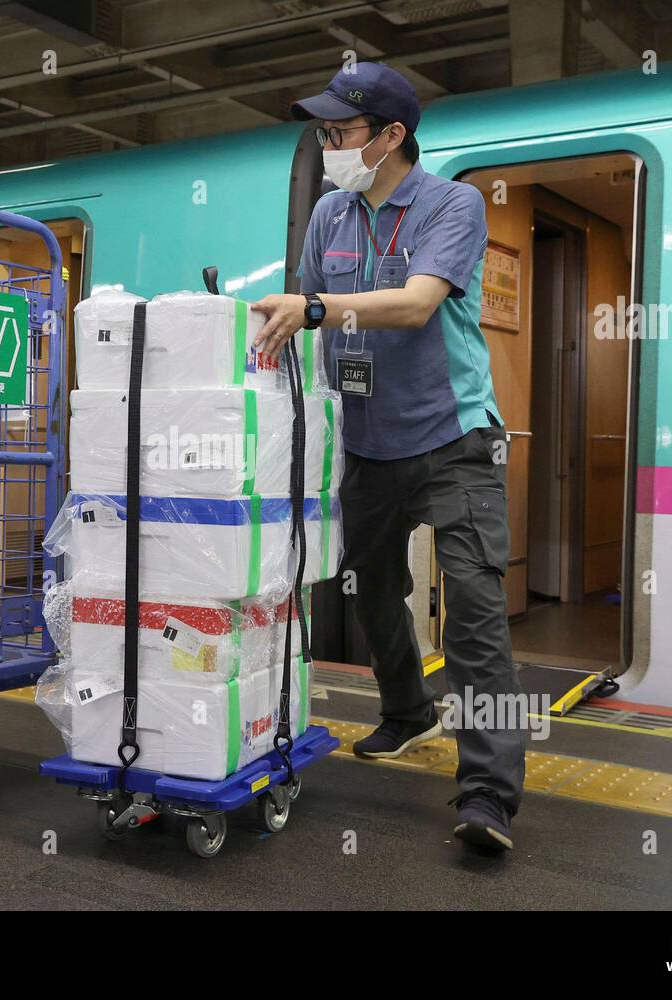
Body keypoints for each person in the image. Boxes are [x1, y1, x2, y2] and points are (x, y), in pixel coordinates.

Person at [251, 63, 525, 851]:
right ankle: (407, 712)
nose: (329, 143)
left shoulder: (452, 204)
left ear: (392, 136)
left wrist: (315, 307)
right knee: (371, 593)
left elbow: (415, 303)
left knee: (473, 616)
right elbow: (301, 316)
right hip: (367, 443)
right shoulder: (331, 216)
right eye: (325, 132)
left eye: (340, 131)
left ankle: (487, 796)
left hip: (453, 438)